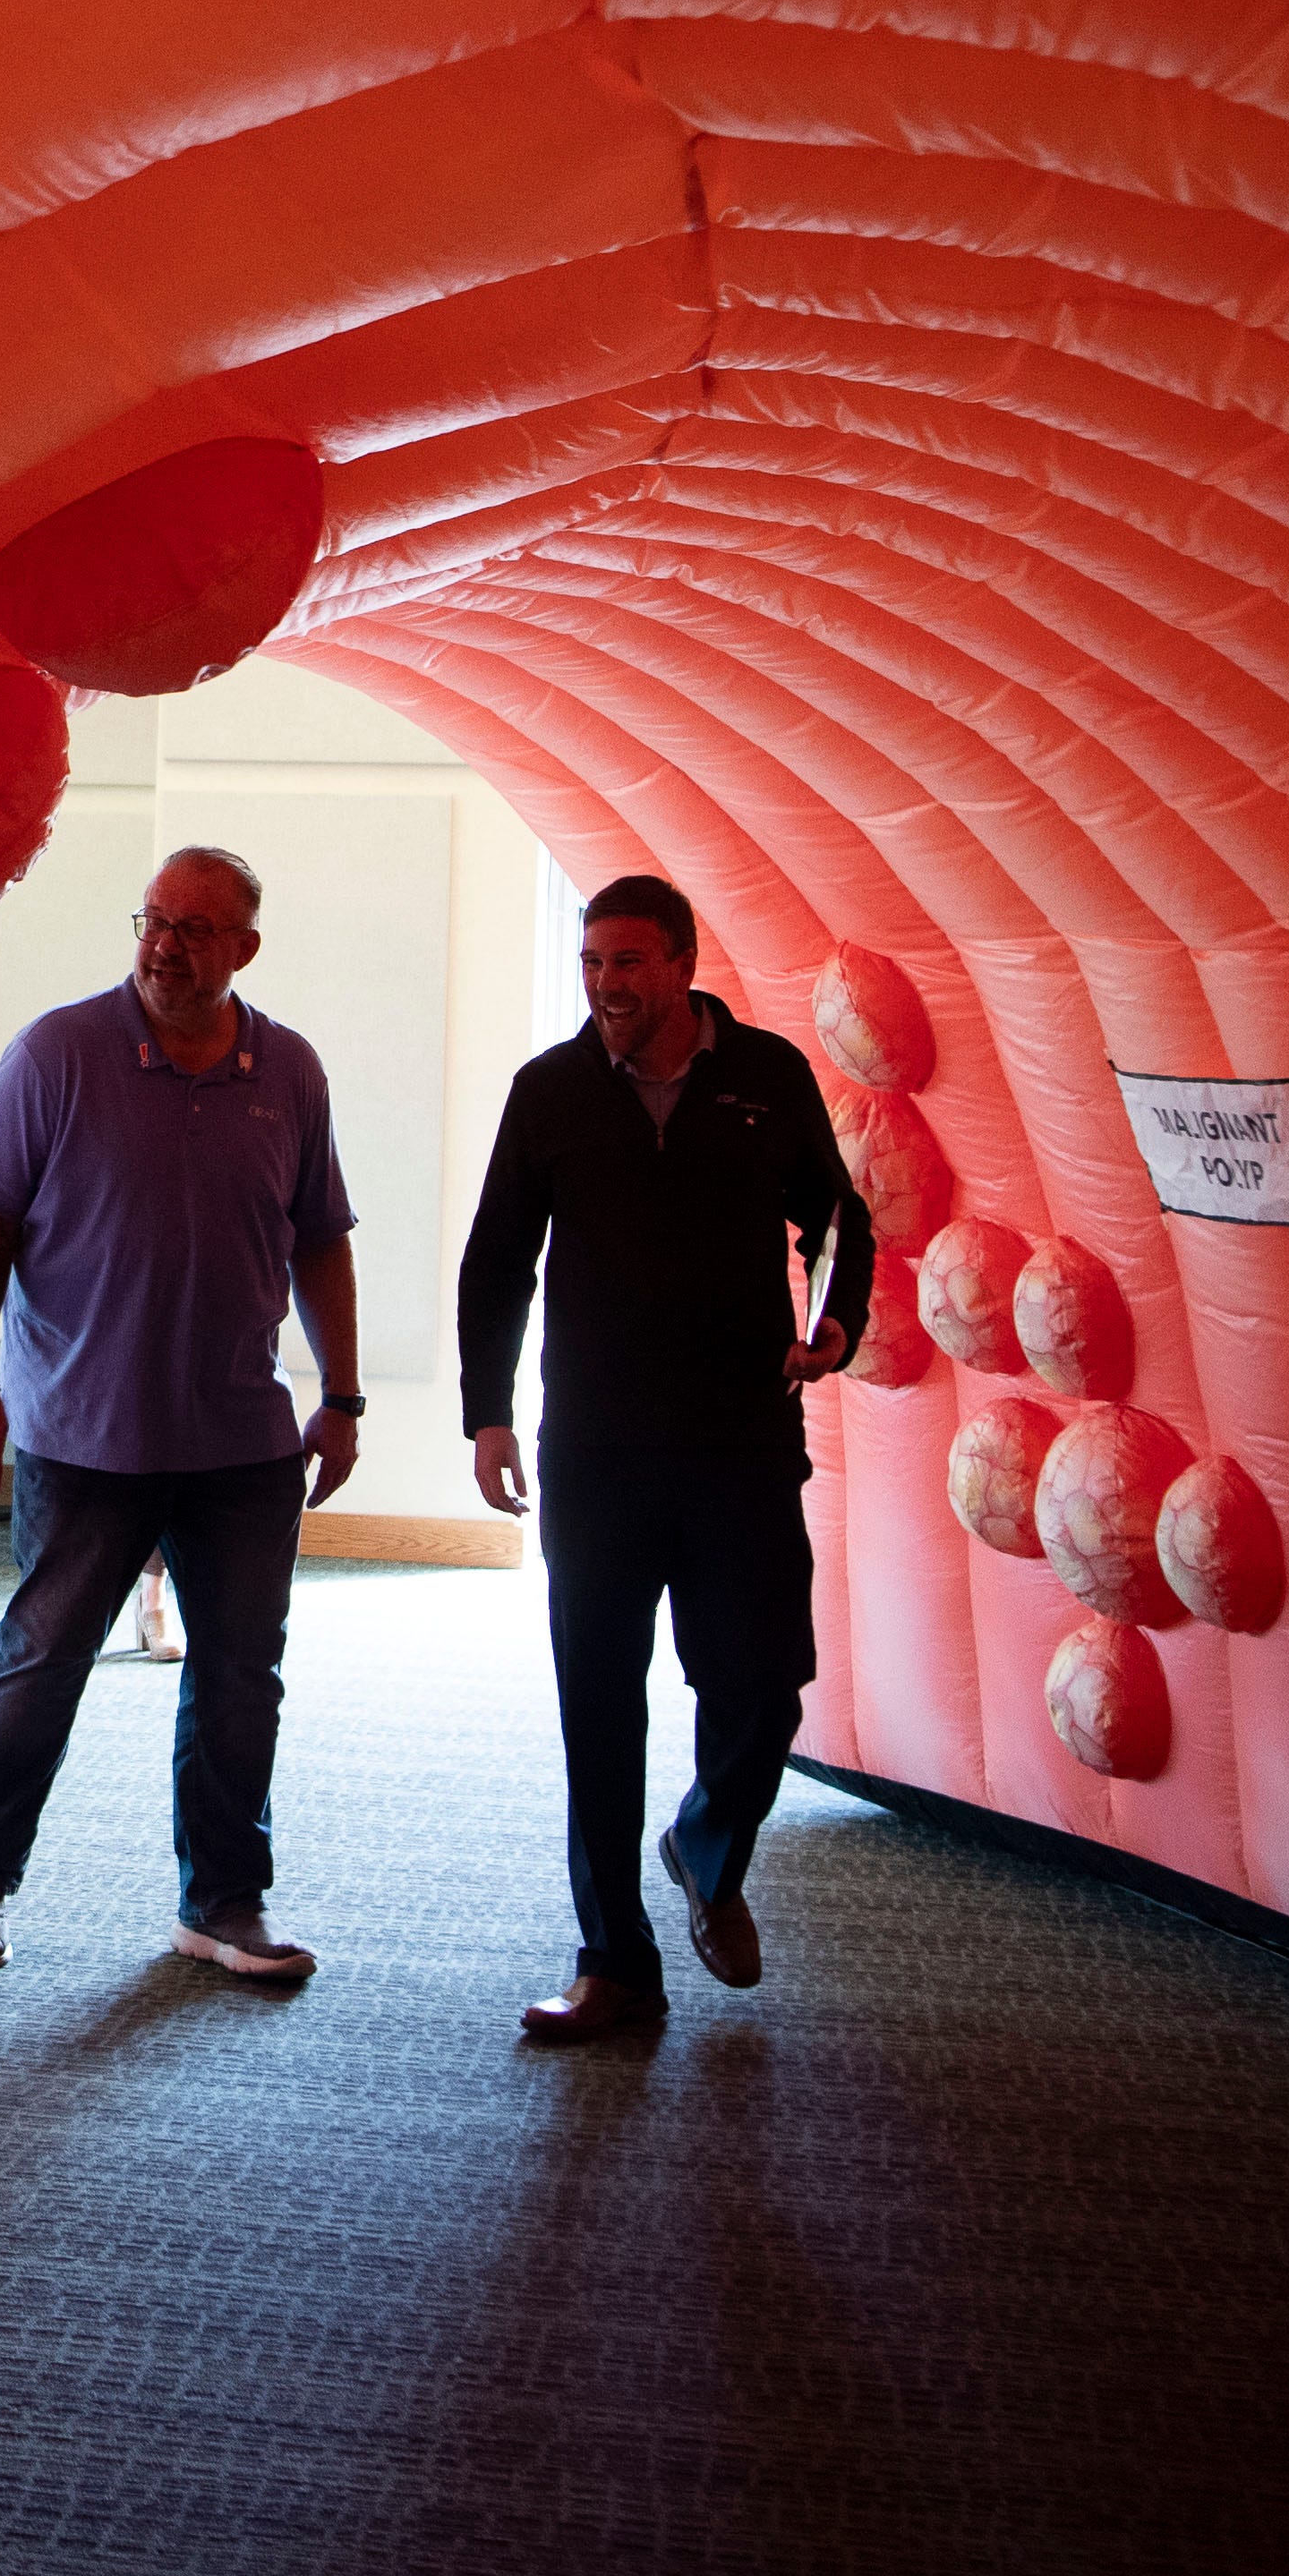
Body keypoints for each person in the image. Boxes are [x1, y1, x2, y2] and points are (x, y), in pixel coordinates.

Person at [0, 847, 363, 1980]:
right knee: (41, 1663)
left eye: (197, 930)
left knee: (238, 1681)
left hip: (241, 1442)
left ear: (246, 949)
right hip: (85, 1436)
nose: (166, 945)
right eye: (155, 920)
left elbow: (321, 1241)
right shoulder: (58, 1053)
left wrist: (344, 1395)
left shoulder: (291, 1071)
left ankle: (224, 1904)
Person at [459, 874, 863, 2042]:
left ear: (684, 963)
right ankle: (614, 1964)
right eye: (591, 963)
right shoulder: (549, 1093)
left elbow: (835, 1220)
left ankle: (703, 1842)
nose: (606, 985)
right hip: (594, 1457)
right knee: (599, 1707)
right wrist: (489, 1413)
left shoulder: (768, 1078)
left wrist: (836, 1320)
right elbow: (498, 1260)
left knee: (762, 1683)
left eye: (628, 962)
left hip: (740, 1445)